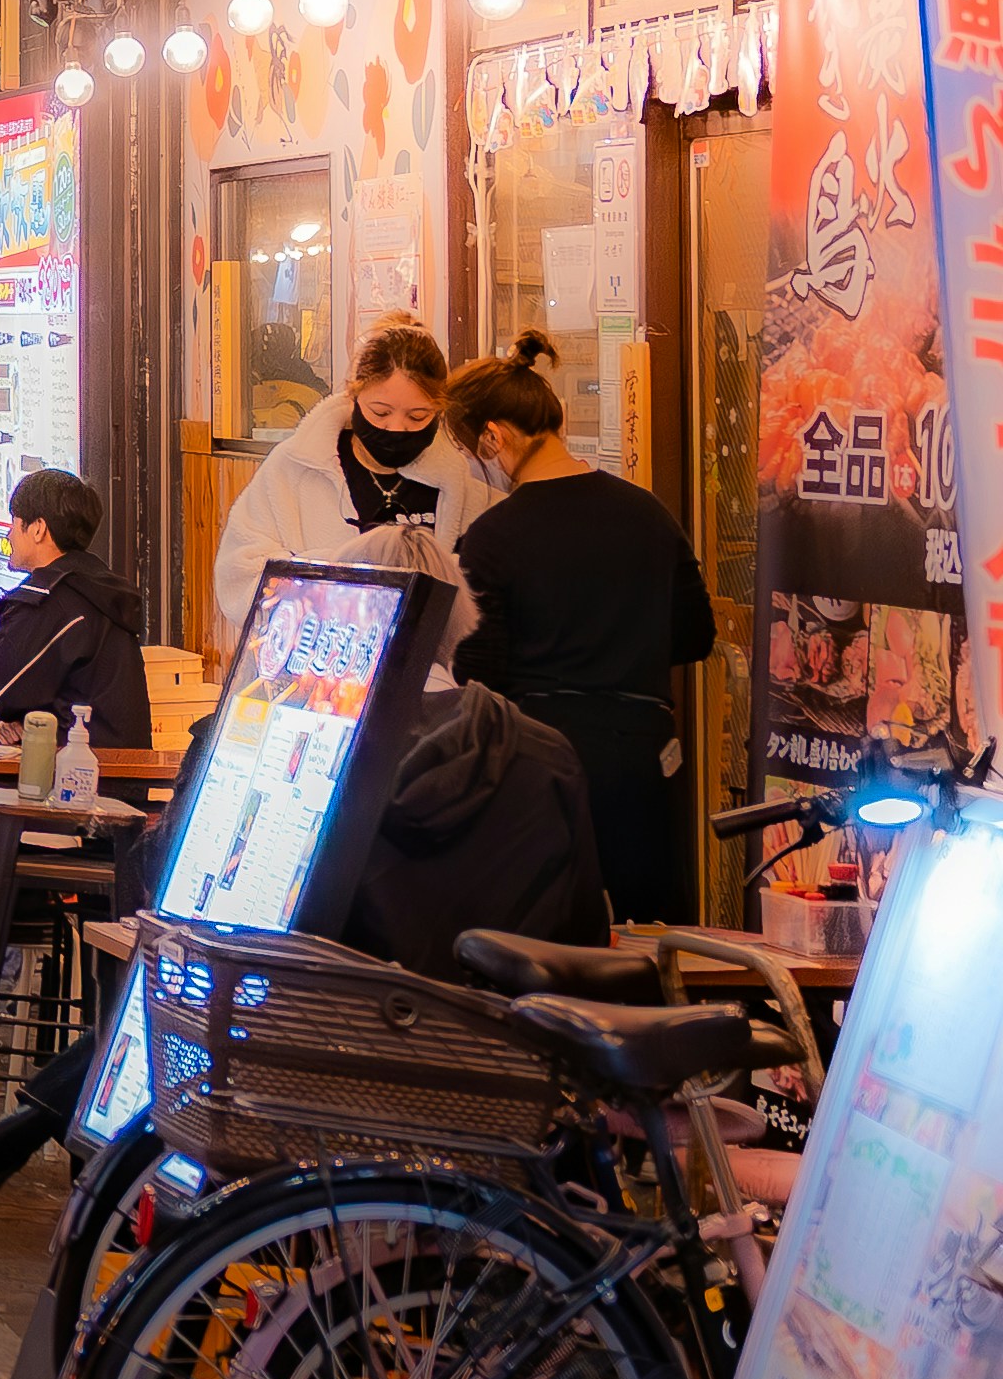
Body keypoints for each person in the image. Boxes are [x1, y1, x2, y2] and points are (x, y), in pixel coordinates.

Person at [442, 345, 721, 930]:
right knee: (650, 935)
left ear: (493, 437)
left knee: (554, 937)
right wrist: (620, 656)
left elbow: (477, 668)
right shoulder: (648, 513)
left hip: (537, 758)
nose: (472, 465)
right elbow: (696, 634)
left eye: (468, 451)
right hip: (646, 756)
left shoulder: (493, 536)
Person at [209, 312, 481, 639]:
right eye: (380, 412)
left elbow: (480, 592)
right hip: (320, 670)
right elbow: (239, 574)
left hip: (428, 676)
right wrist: (335, 578)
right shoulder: (296, 466)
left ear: (439, 410)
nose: (397, 428)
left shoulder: (458, 484)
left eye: (417, 416)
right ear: (354, 395)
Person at [339, 673, 608, 973]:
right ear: (467, 629)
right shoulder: (549, 754)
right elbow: (588, 950)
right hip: (502, 1014)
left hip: (339, 1008)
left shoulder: (325, 732)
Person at [0, 464, 151, 749]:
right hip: (117, 769)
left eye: (14, 521)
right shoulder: (97, 586)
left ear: (37, 529)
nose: (10, 534)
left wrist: (11, 714)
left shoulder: (53, 601)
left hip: (76, 773)